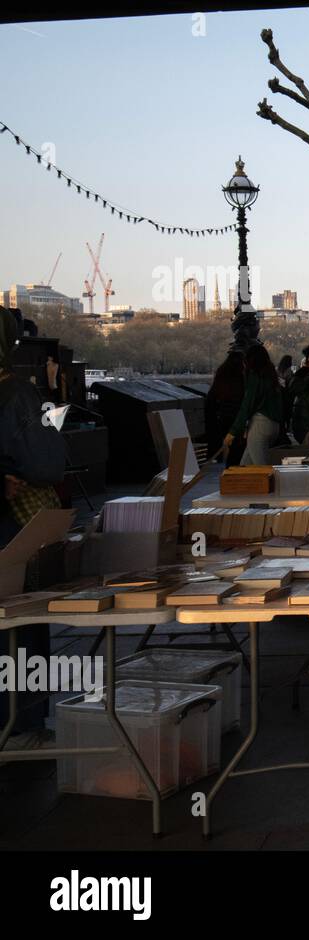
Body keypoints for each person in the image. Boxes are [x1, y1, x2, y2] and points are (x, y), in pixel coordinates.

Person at [0, 308, 66, 745]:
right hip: (11, 524)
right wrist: (54, 396)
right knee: (21, 618)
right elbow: (48, 460)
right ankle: (21, 721)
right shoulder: (15, 393)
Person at [223, 344, 284, 465]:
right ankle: (241, 484)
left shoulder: (255, 377)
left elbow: (247, 405)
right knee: (246, 466)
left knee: (261, 469)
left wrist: (233, 432)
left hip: (259, 425)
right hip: (274, 426)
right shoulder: (271, 376)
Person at [206, 352, 246, 465]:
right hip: (236, 416)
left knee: (229, 446)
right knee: (237, 449)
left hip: (222, 417)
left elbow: (212, 397)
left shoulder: (221, 373)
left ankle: (228, 469)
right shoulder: (240, 376)